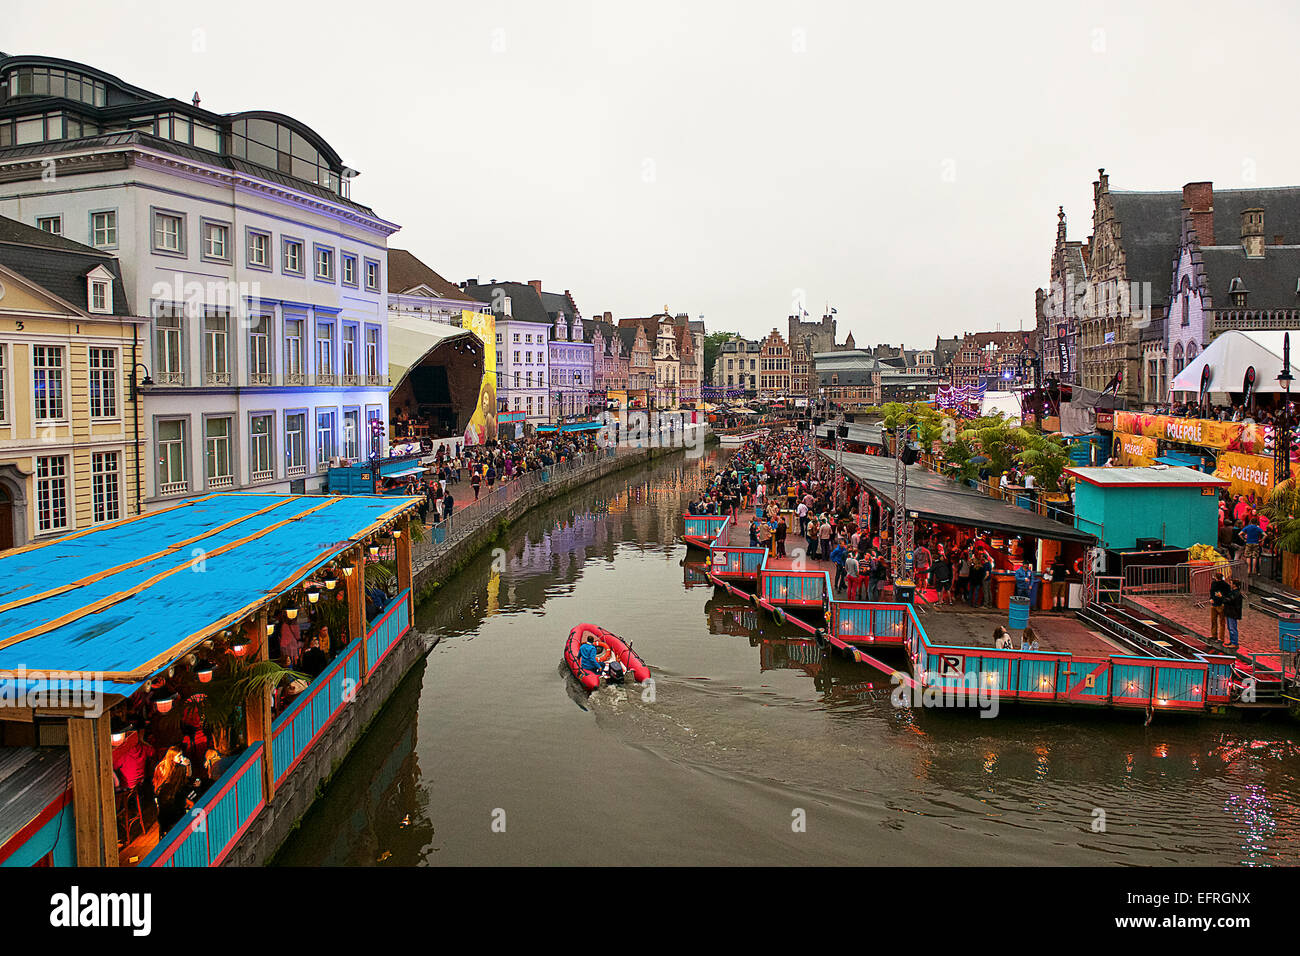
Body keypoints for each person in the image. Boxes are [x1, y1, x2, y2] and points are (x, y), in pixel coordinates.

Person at [1209, 571, 1230, 643]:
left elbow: (1212, 592)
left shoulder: (1223, 585)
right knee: (1217, 621)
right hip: (1217, 604)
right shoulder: (1223, 585)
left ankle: (1218, 637)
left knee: (1218, 621)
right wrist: (1211, 598)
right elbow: (1211, 592)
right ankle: (1216, 636)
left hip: (1219, 604)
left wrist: (1212, 598)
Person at [1224, 578, 1243, 649]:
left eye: (1231, 583)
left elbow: (1230, 600)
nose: (1230, 584)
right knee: (1230, 627)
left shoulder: (1236, 593)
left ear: (1234, 585)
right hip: (1230, 612)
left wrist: (1222, 597)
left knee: (1232, 628)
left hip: (1233, 613)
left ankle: (1234, 642)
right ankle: (1232, 641)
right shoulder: (1233, 592)